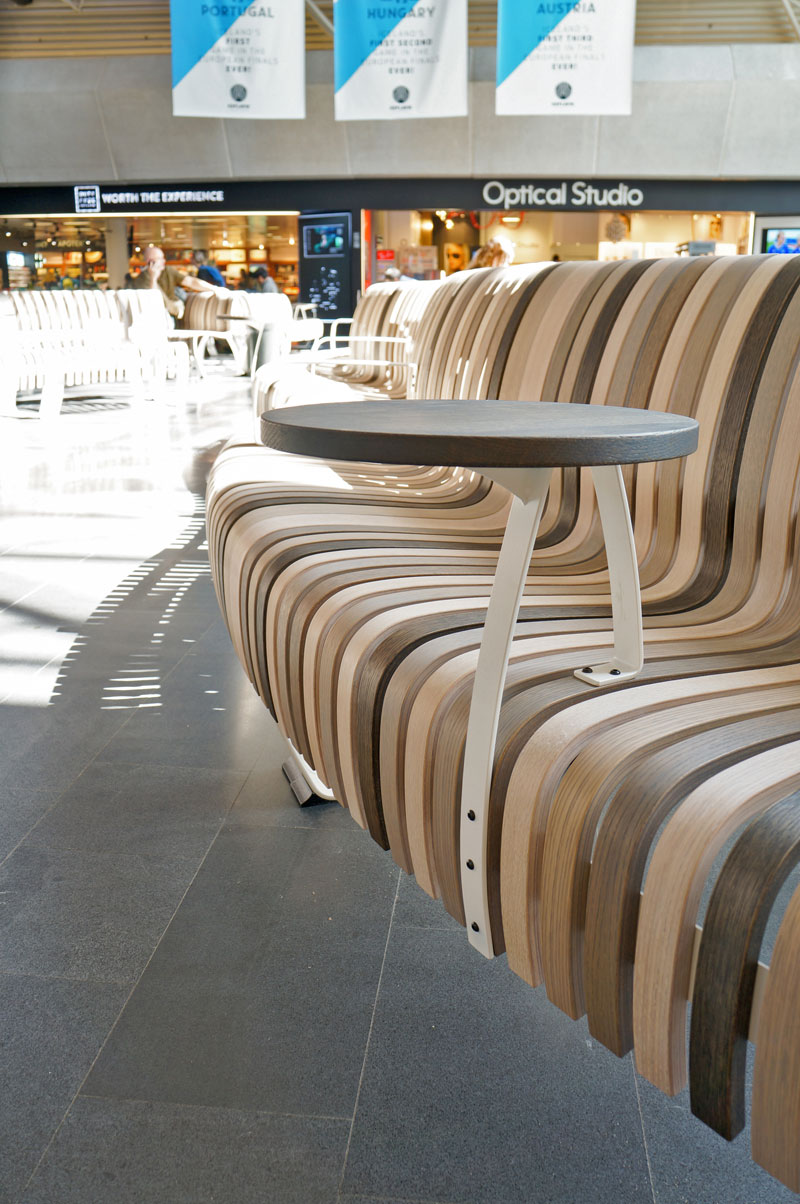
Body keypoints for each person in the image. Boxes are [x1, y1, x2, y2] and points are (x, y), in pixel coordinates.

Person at [131, 245, 222, 320]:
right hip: (157, 314)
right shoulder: (142, 279)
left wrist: (215, 289)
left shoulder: (167, 271)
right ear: (150, 262)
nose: (164, 261)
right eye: (160, 258)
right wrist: (153, 278)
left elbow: (190, 281)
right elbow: (155, 300)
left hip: (171, 314)